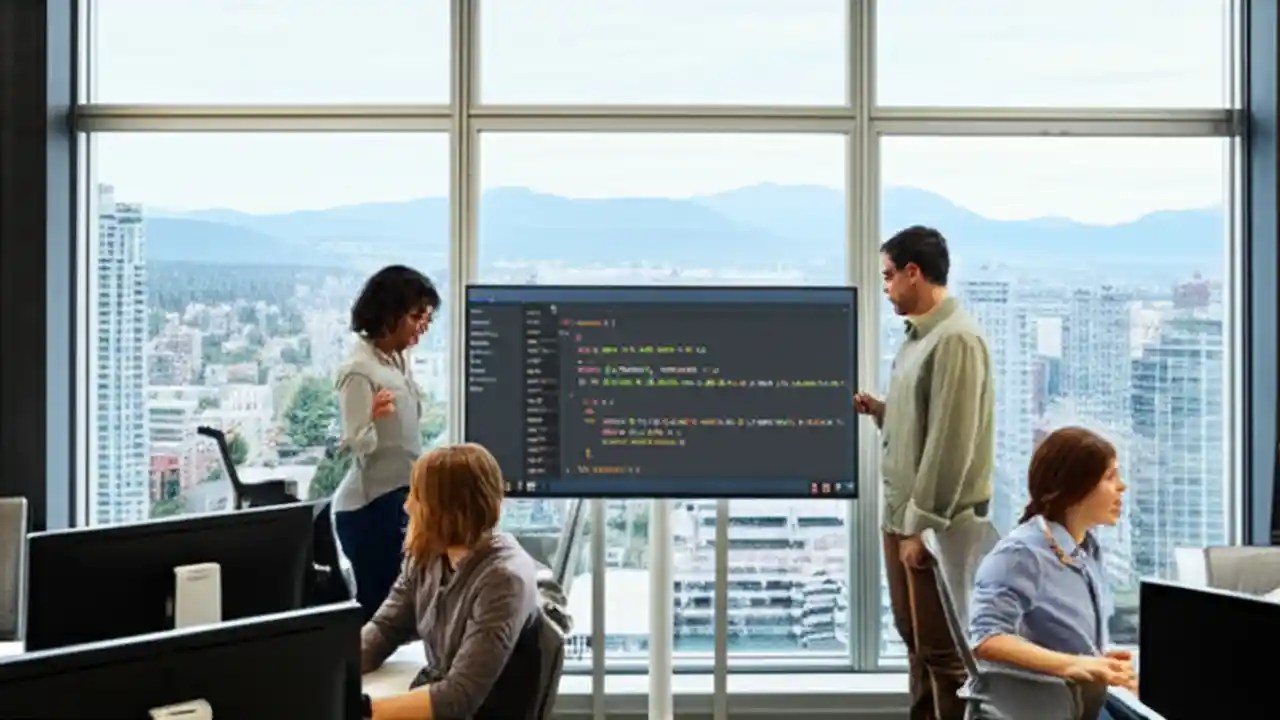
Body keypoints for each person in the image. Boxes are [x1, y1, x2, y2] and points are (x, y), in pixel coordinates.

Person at [853, 225, 994, 720]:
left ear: (914, 272)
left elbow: (950, 444)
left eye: (888, 276)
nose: (885, 287)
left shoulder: (956, 340)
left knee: (943, 655)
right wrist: (881, 411)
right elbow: (924, 421)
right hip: (901, 518)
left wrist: (921, 528)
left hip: (933, 526)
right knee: (915, 643)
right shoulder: (918, 337)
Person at [360, 443, 541, 720]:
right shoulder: (427, 556)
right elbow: (385, 629)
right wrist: (328, 672)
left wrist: (361, 711)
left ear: (449, 511)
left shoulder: (503, 580)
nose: (407, 506)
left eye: (418, 497)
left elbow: (459, 697)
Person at [969, 426, 1136, 719]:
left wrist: (1097, 660)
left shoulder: (1088, 549)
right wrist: (1075, 664)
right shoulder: (1021, 553)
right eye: (1110, 477)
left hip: (1084, 699)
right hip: (1047, 705)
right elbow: (987, 639)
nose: (1122, 487)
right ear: (1076, 488)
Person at [333, 265, 441, 621]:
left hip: (398, 498)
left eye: (426, 318)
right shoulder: (358, 369)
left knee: (404, 608)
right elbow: (356, 443)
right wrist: (373, 417)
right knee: (382, 612)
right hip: (369, 507)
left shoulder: (397, 360)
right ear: (389, 313)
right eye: (415, 316)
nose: (422, 326)